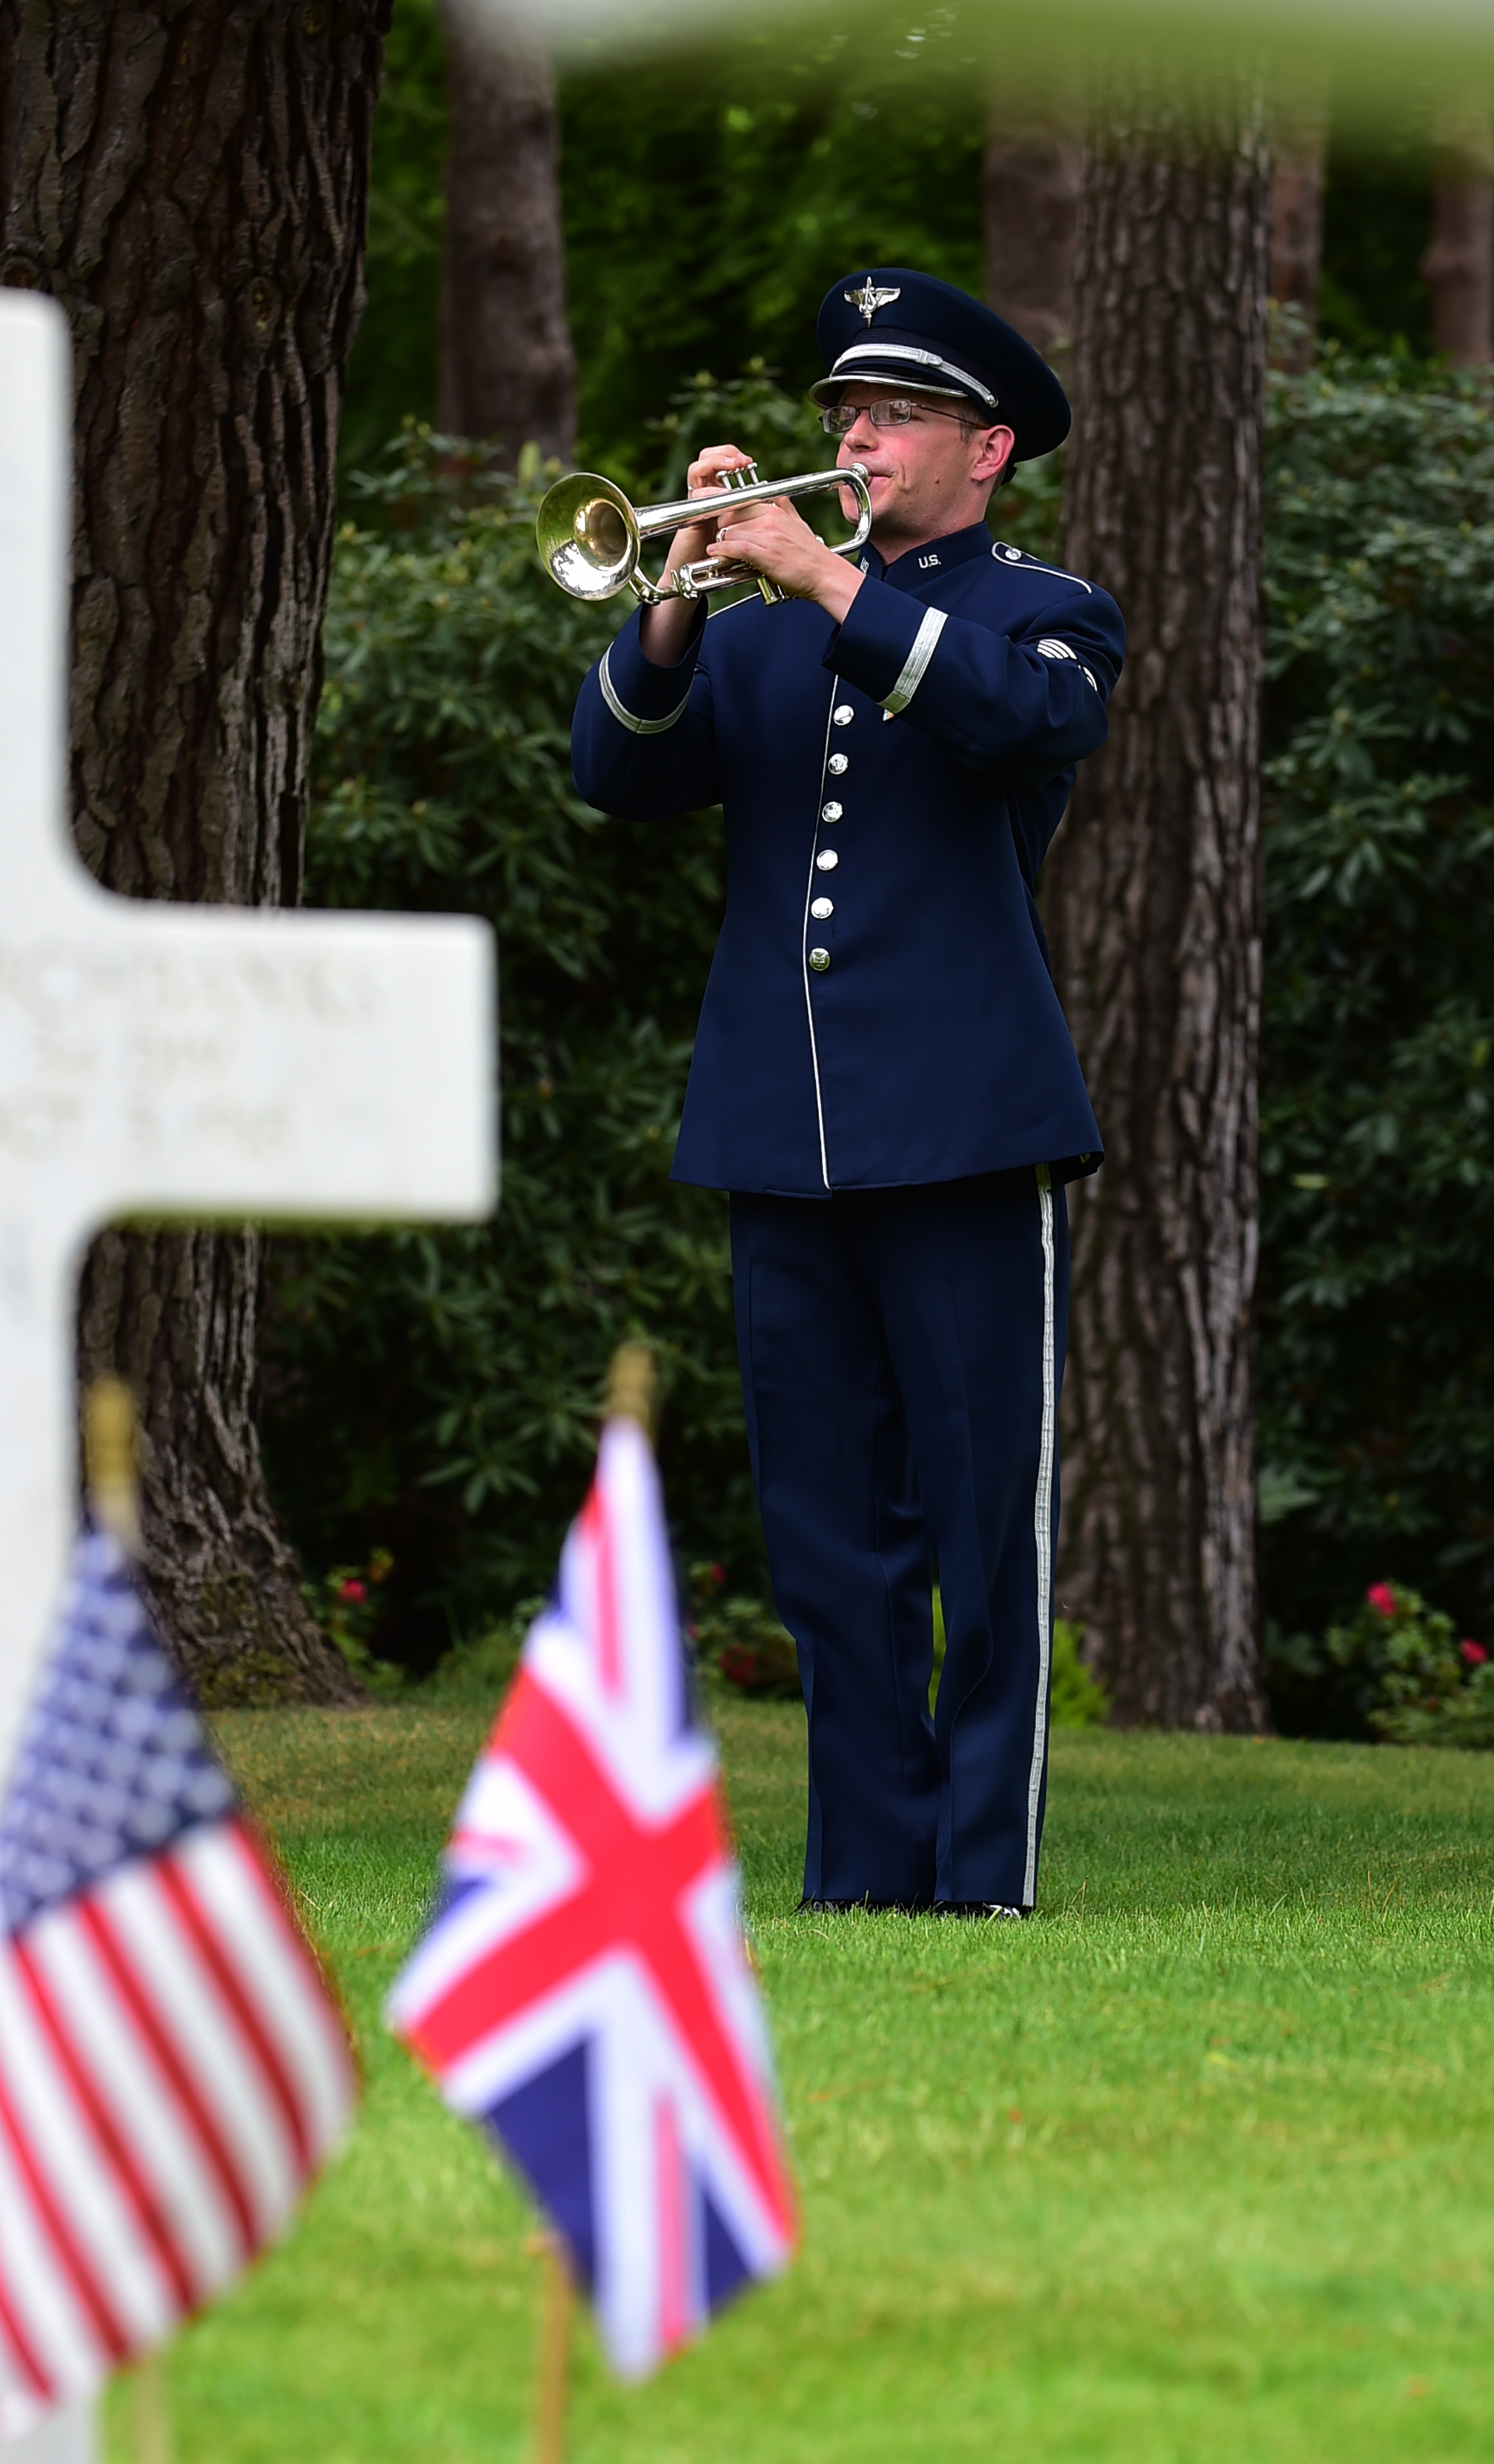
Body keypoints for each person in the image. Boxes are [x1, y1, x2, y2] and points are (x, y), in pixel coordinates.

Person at [570, 268, 1125, 1917]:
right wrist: (674, 599)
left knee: (979, 1537)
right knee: (828, 1546)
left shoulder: (1044, 613)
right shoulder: (754, 644)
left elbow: (1006, 723)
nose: (855, 437)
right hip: (779, 1138)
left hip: (964, 1132)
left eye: (890, 416)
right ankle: (861, 1883)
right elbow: (615, 775)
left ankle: (984, 1880)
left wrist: (821, 574)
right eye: (842, 417)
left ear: (987, 449)